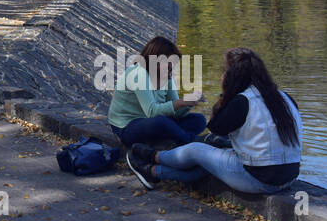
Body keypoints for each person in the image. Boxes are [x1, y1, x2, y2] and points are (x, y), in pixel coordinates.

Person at [127, 47, 303, 194]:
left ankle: (155, 156)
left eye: (224, 72)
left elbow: (215, 127)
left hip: (259, 179)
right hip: (289, 177)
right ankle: (153, 172)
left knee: (195, 150)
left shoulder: (242, 101)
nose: (222, 76)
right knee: (205, 165)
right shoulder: (283, 97)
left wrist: (225, 95)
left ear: (233, 76)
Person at [108, 36, 207, 149]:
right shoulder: (138, 74)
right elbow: (152, 112)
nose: (172, 68)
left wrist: (189, 103)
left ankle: (168, 141)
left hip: (152, 123)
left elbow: (175, 113)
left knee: (199, 120)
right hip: (126, 127)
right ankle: (191, 142)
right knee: (161, 122)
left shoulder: (166, 76)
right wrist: (181, 102)